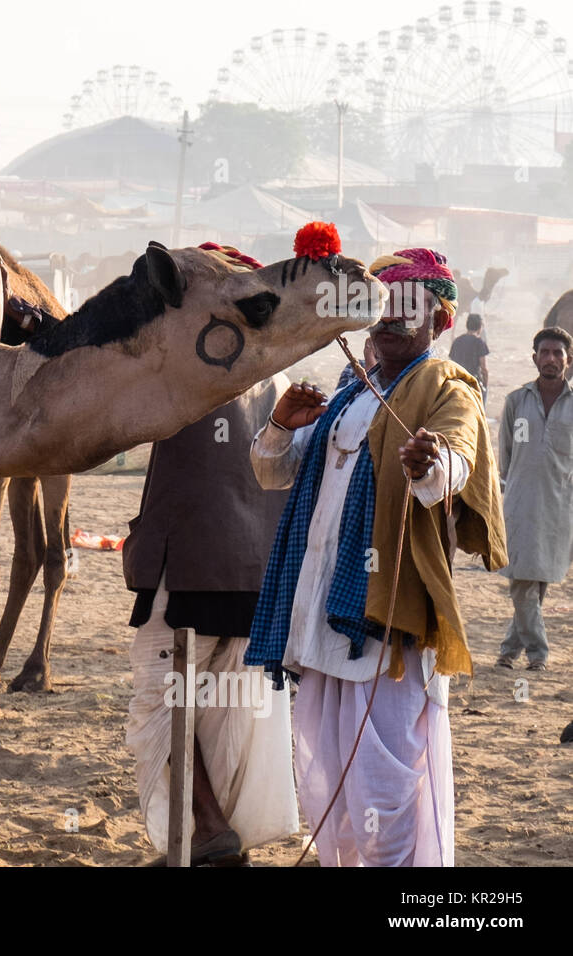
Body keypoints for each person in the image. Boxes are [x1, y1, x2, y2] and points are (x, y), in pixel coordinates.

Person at [247, 247, 506, 867]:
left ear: (439, 323)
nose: (388, 319)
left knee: (383, 792)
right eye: (381, 307)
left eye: (406, 309)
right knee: (327, 789)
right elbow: (271, 472)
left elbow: (453, 467)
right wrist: (281, 425)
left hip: (388, 623)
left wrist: (428, 463)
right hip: (319, 615)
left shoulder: (449, 388)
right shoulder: (345, 396)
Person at [123, 354, 299, 866]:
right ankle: (211, 835)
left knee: (162, 704)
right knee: (226, 711)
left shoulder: (183, 376)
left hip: (188, 570)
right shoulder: (280, 383)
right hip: (258, 574)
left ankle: (211, 828)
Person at [496, 327, 573, 671]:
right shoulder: (516, 401)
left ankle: (508, 652)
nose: (551, 359)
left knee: (536, 583)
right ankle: (538, 654)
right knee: (522, 581)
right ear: (534, 358)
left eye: (558, 353)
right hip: (521, 503)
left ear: (568, 361)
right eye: (545, 352)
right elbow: (506, 456)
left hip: (559, 507)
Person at [449, 313, 490, 404]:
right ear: (480, 327)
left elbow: (451, 363)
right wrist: (485, 385)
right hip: (473, 382)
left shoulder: (457, 341)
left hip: (457, 381)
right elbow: (484, 368)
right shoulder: (479, 342)